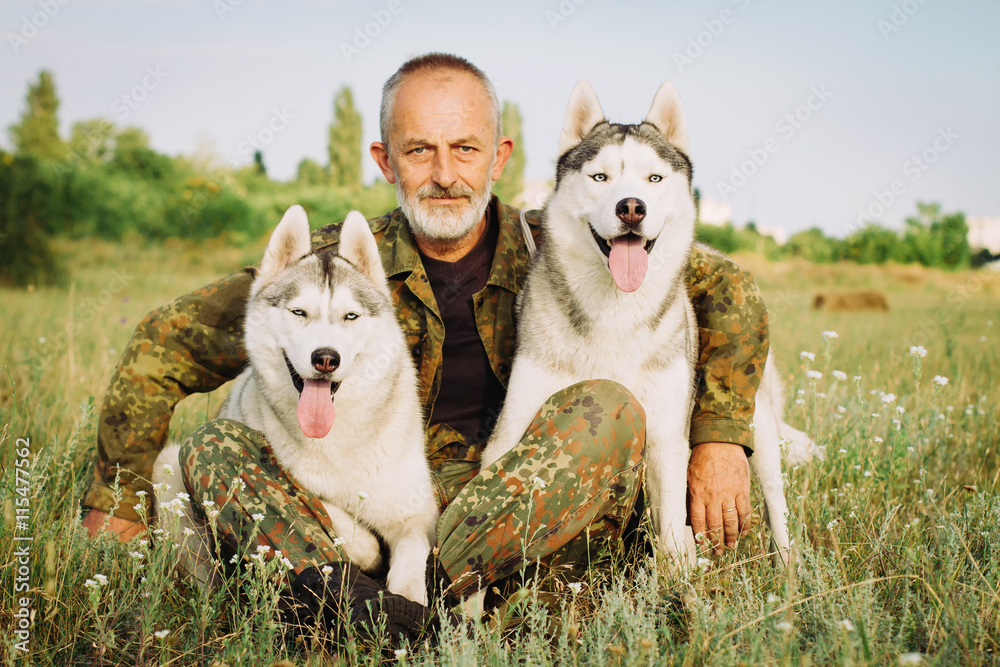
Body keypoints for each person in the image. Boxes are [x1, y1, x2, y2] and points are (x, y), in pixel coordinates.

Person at [81, 53, 769, 640]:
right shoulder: (334, 266)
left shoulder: (564, 239)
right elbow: (163, 343)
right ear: (385, 160)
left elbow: (731, 290)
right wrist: (115, 505)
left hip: (510, 519)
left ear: (498, 157)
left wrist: (720, 436)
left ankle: (369, 607)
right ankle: (374, 609)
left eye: (466, 148)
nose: (445, 173)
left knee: (610, 410)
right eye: (420, 150)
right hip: (367, 519)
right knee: (211, 449)